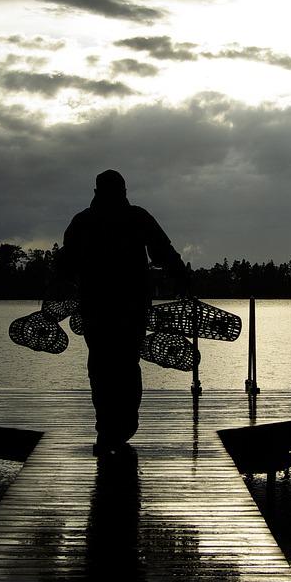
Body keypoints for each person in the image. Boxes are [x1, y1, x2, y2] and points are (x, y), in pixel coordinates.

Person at [57, 169, 186, 457]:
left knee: (103, 367)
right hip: (127, 307)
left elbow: (64, 264)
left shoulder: (84, 221)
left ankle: (109, 427)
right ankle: (120, 425)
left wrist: (63, 282)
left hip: (100, 307)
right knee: (124, 365)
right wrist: (182, 277)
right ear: (123, 192)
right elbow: (164, 251)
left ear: (95, 192)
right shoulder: (136, 217)